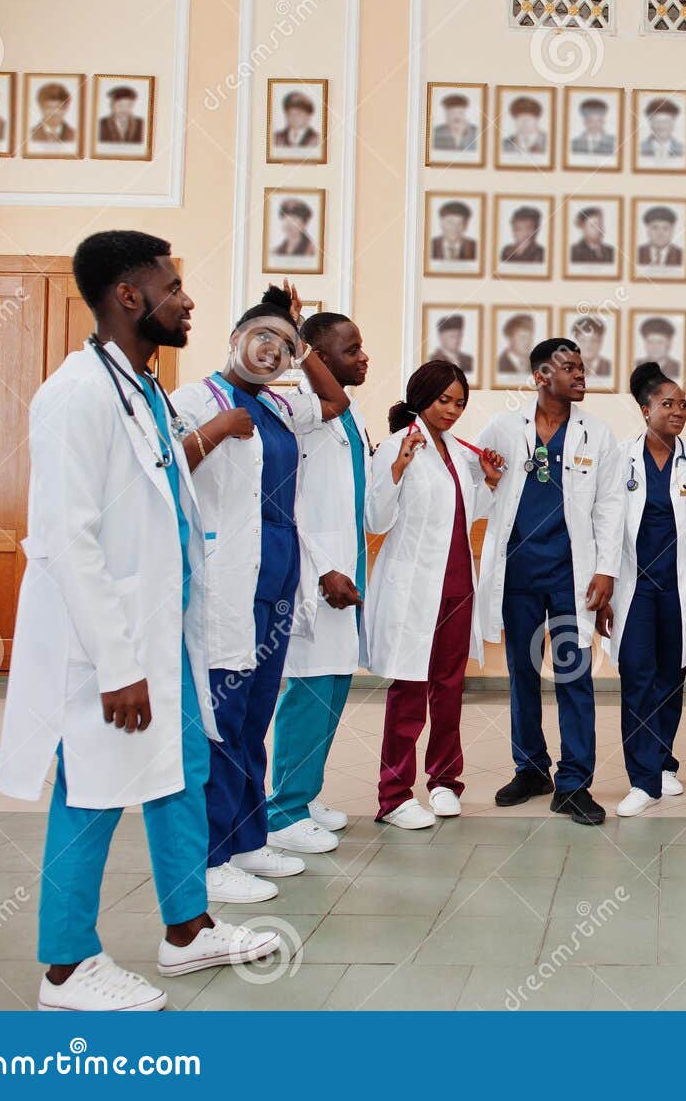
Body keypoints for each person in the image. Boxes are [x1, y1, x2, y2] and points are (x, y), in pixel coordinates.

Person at [0, 230, 278, 1011]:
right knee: (91, 787)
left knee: (179, 773)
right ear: (129, 296)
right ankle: (65, 965)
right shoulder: (75, 394)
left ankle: (186, 931)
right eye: (173, 287)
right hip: (106, 643)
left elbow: (158, 495)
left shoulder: (143, 389)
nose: (187, 300)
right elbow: (66, 539)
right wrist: (118, 664)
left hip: (161, 633)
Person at [172, 285, 349, 903]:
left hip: (275, 578)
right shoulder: (195, 400)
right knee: (221, 721)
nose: (272, 351)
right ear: (233, 340)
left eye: (285, 346)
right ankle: (211, 859)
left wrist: (301, 338)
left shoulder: (279, 406)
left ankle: (248, 840)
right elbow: (165, 470)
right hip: (226, 581)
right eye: (262, 338)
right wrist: (220, 428)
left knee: (253, 718)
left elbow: (335, 399)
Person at [475, 338, 625, 825]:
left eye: (582, 367)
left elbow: (609, 508)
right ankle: (531, 768)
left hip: (570, 575)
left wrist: (605, 571)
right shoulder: (502, 427)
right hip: (518, 571)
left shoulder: (596, 435)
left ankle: (575, 781)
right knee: (521, 673)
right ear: (541, 376)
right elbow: (478, 493)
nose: (581, 374)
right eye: (570, 368)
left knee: (572, 675)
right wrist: (490, 482)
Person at [368, 361, 505, 828]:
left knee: (449, 690)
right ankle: (394, 795)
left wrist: (487, 479)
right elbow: (375, 519)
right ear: (419, 396)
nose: (452, 410)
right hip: (413, 589)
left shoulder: (458, 451)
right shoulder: (395, 446)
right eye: (443, 400)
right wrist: (398, 467)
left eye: (459, 403)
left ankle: (445, 782)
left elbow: (471, 514)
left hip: (457, 587)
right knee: (408, 692)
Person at [265, 312, 372, 856]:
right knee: (307, 690)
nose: (363, 357)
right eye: (351, 350)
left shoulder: (350, 421)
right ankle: (282, 810)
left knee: (332, 688)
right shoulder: (300, 417)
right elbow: (290, 501)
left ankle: (303, 798)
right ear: (320, 360)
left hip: (347, 570)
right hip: (316, 575)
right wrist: (325, 567)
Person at [609, 364, 686, 816]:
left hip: (681, 588)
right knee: (637, 676)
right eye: (668, 404)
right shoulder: (620, 460)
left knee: (672, 678)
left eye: (683, 404)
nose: (679, 411)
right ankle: (642, 780)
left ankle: (663, 760)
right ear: (645, 409)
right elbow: (606, 527)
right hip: (634, 590)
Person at [572, 315, 613, 381]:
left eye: (593, 340)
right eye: (583, 340)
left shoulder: (610, 366)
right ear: (576, 342)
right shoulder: (569, 366)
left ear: (600, 342)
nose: (588, 346)